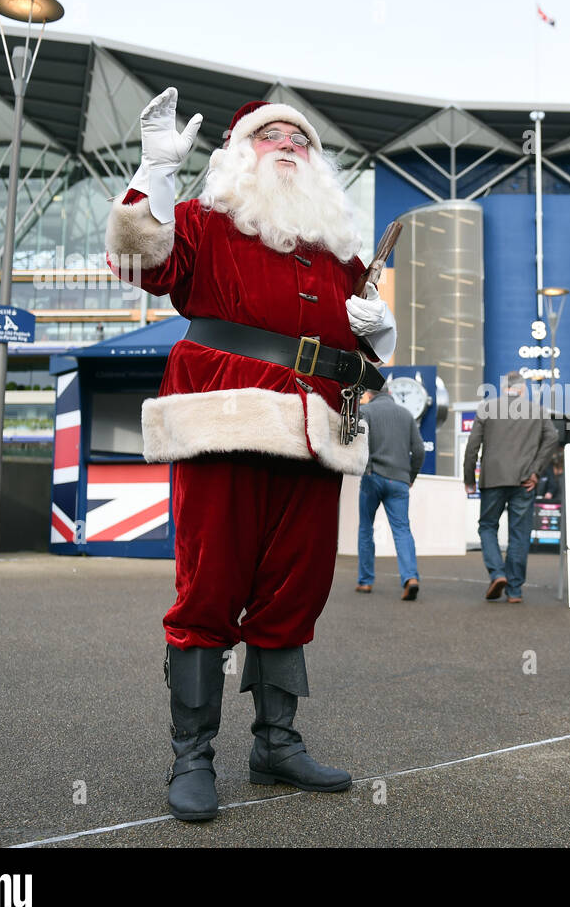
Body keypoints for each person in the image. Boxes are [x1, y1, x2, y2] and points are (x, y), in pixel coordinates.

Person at [105, 89, 397, 821]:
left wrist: (380, 338)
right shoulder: (204, 223)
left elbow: (357, 350)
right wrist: (155, 173)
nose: (287, 144)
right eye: (269, 135)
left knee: (295, 592)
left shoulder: (339, 255)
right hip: (225, 420)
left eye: (299, 138)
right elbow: (139, 265)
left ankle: (276, 744)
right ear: (240, 152)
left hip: (316, 432)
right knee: (210, 587)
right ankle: (192, 757)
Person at [464, 372, 560, 603]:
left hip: (493, 479)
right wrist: (536, 470)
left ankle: (497, 573)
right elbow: (553, 437)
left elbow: (472, 447)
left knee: (487, 527)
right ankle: (514, 590)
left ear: (503, 387)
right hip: (525, 479)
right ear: (523, 389)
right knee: (519, 533)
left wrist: (469, 479)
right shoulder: (536, 410)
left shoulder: (487, 408)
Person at [355, 389, 425, 601]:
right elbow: (420, 450)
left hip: (372, 476)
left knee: (366, 528)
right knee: (402, 529)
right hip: (400, 481)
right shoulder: (406, 415)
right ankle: (410, 577)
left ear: (369, 394)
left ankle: (366, 581)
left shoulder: (366, 411)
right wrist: (410, 476)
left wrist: (366, 469)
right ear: (391, 392)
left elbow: (359, 443)